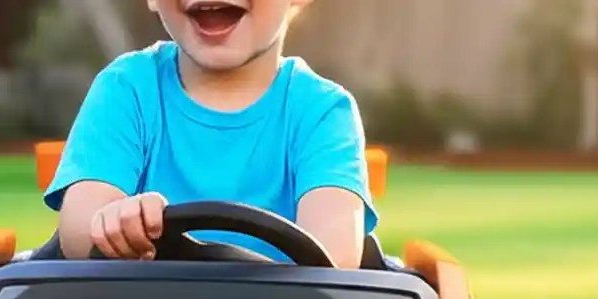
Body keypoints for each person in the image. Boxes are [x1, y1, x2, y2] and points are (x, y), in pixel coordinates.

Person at [42, 0, 378, 269]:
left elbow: (334, 256)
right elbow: (77, 230)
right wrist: (113, 225)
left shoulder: (322, 111)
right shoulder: (126, 89)